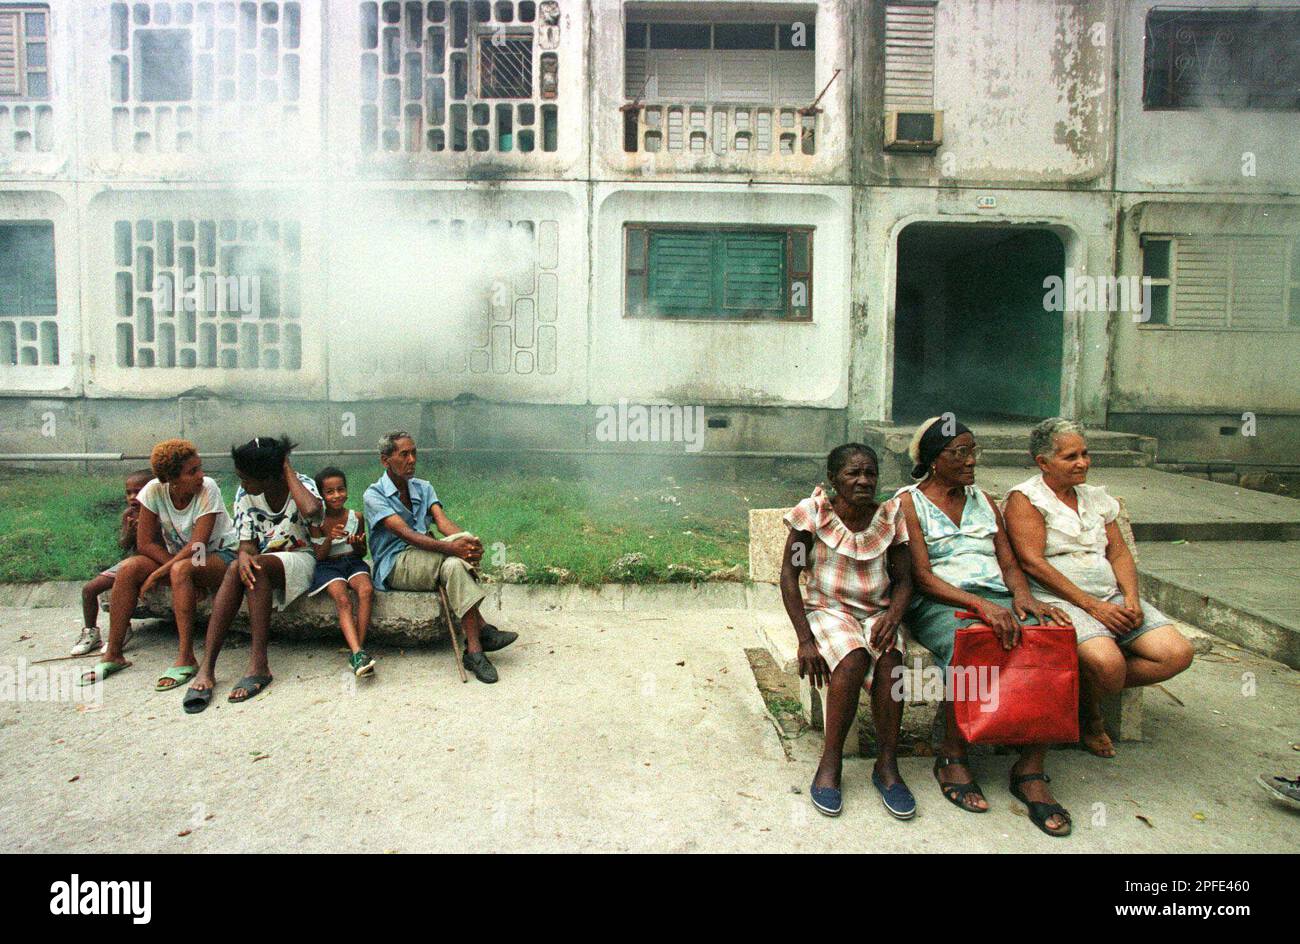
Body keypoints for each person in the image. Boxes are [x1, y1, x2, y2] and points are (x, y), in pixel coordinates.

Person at [897, 416, 1074, 837]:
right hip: (942, 601)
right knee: (972, 643)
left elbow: (1009, 564)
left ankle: (1030, 769)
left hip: (997, 598)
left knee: (1050, 641)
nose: (971, 460)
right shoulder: (908, 503)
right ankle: (952, 755)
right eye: (960, 453)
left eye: (973, 451)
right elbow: (922, 577)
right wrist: (981, 606)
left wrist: (1024, 597)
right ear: (933, 459)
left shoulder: (983, 500)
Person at [1004, 417, 1194, 759]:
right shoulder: (1027, 498)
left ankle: (1076, 690)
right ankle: (1090, 716)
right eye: (1071, 457)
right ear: (1043, 462)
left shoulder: (1096, 498)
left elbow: (1118, 552)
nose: (1083, 463)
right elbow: (1033, 563)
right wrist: (1093, 606)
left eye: (1085, 454)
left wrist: (1131, 599)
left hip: (1111, 597)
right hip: (1058, 599)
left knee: (1177, 654)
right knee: (1109, 666)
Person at [780, 443, 914, 819]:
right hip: (828, 611)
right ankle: (830, 762)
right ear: (833, 478)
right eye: (853, 473)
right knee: (853, 658)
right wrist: (805, 640)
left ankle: (886, 765)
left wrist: (893, 617)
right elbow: (790, 575)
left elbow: (904, 580)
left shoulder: (890, 517)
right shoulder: (814, 515)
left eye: (870, 473)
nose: (863, 481)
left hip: (877, 613)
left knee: (891, 663)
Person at [80, 441, 238, 690]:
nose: (201, 475)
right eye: (192, 471)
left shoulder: (208, 488)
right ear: (171, 479)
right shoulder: (153, 491)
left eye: (200, 467)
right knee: (129, 568)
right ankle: (113, 654)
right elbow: (145, 543)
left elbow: (197, 546)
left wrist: (160, 573)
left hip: (219, 555)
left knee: (181, 569)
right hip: (180, 558)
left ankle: (186, 657)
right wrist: (167, 570)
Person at [183, 436, 323, 712]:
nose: (242, 483)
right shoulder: (244, 494)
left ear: (268, 477)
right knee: (241, 566)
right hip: (263, 561)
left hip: (301, 558)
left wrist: (286, 468)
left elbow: (312, 511)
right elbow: (246, 544)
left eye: (246, 478)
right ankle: (207, 668)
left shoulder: (301, 484)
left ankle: (259, 665)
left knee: (254, 567)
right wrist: (245, 556)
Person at [363, 431, 516, 684]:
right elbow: (408, 535)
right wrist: (454, 548)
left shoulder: (423, 487)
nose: (412, 459)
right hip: (396, 563)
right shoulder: (374, 495)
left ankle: (474, 650)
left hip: (429, 556)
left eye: (414, 453)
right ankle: (482, 631)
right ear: (385, 460)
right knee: (452, 559)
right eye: (404, 454)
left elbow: (443, 524)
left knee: (455, 564)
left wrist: (469, 541)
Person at [72, 468, 152, 656]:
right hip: (131, 562)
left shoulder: (158, 513)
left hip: (152, 563)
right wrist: (130, 533)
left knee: (122, 587)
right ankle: (91, 632)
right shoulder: (129, 514)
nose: (133, 497)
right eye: (128, 493)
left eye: (138, 492)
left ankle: (122, 630)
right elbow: (123, 545)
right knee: (89, 589)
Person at [307, 467, 376, 678]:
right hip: (328, 565)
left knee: (366, 590)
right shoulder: (317, 522)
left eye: (341, 489)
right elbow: (319, 555)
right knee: (343, 599)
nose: (337, 495)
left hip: (352, 562)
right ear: (321, 495)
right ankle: (358, 653)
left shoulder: (356, 517)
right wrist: (329, 537)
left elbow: (362, 552)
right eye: (330, 492)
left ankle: (358, 652)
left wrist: (356, 544)